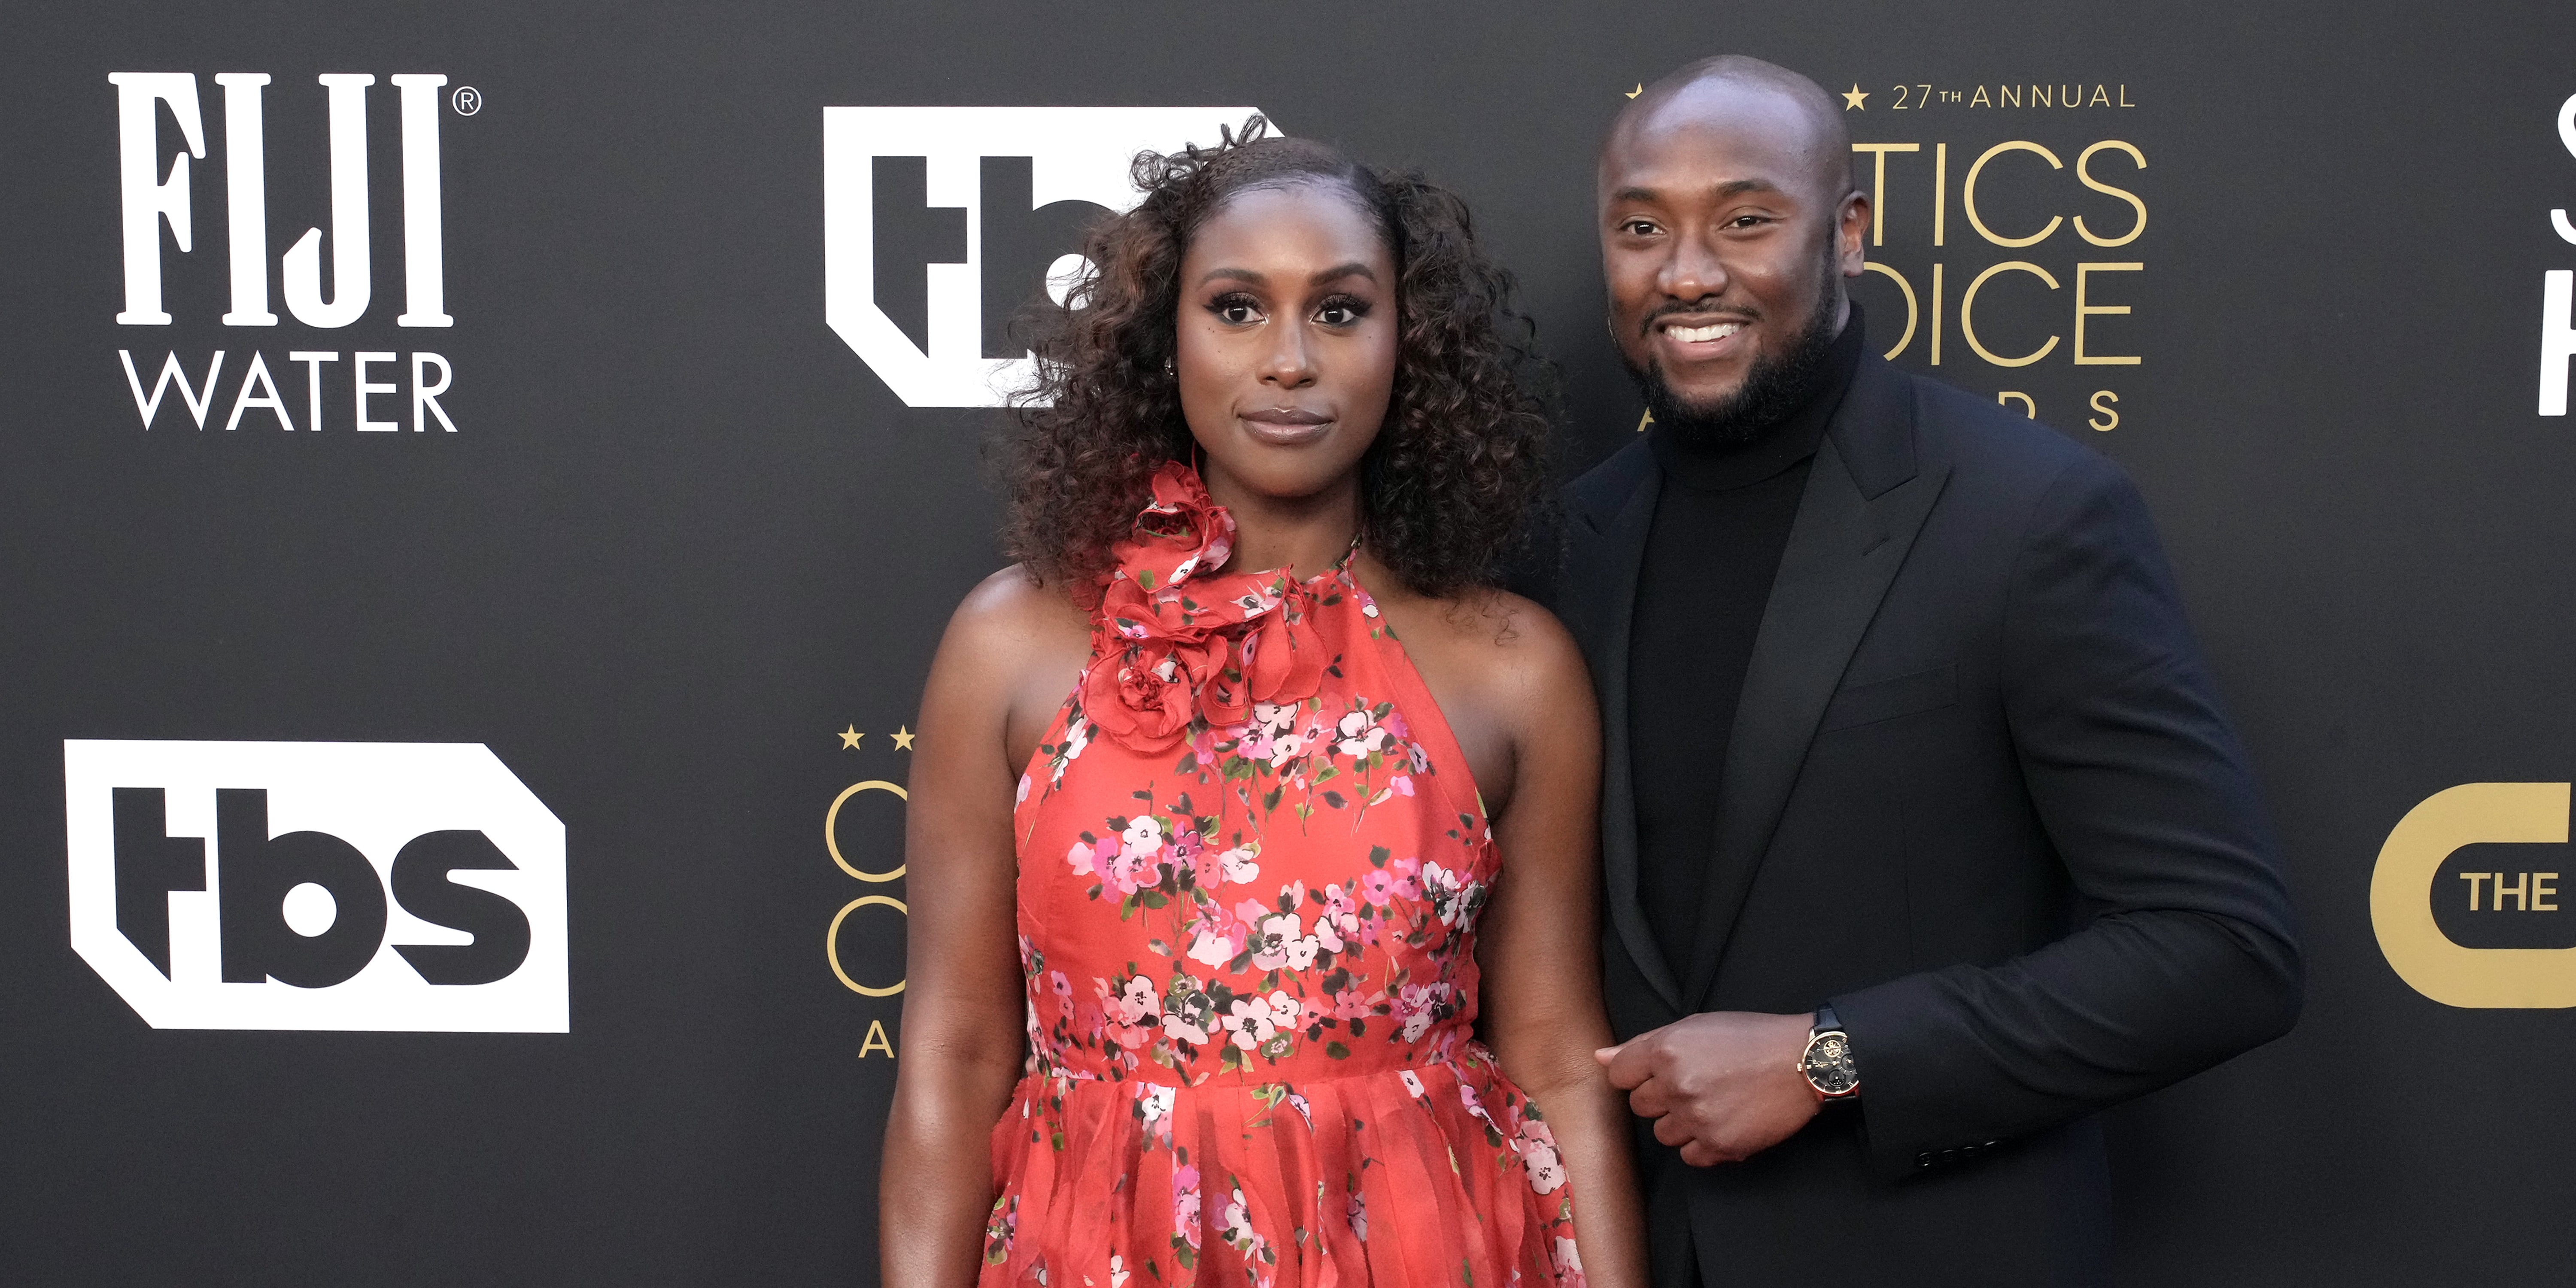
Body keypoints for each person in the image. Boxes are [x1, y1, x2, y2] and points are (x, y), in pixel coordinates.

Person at [1549, 57, 2305, 1287]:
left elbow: (2224, 948)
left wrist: (1828, 1056)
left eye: (1746, 220)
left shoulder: (2031, 519)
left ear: (1847, 234)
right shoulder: (1568, 543)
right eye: (1643, 228)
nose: (1686, 273)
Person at [881, 123, 1648, 1288]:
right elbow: (955, 1051)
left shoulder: (1513, 667)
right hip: (1101, 1250)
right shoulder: (1011, 646)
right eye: (1237, 308)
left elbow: (1553, 1055)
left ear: (1410, 344)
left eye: (1339, 311)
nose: (1289, 358)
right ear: (1164, 336)